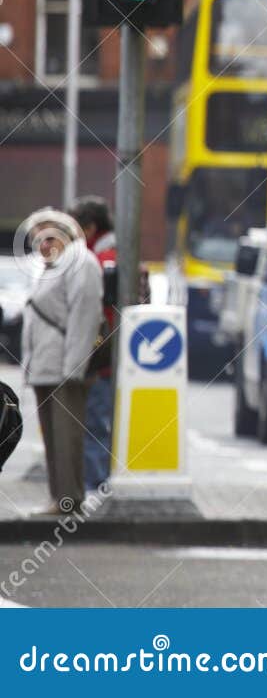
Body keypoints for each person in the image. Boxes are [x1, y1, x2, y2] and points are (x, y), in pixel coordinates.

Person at [18, 208, 102, 514]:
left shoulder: (81, 263)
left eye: (48, 235)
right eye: (36, 238)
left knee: (66, 437)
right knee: (54, 438)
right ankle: (60, 498)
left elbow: (85, 317)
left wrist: (74, 368)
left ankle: (69, 499)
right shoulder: (52, 266)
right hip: (45, 365)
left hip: (64, 368)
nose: (42, 243)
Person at [70, 196, 116, 495]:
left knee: (93, 422)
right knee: (96, 420)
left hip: (98, 356)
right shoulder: (112, 254)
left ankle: (94, 484)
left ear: (90, 227)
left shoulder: (100, 261)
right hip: (106, 355)